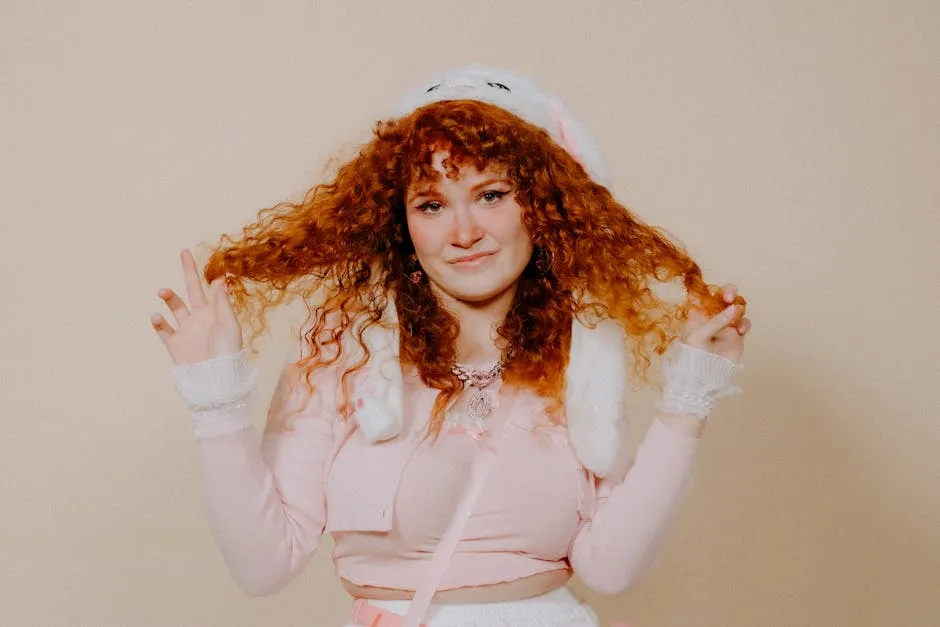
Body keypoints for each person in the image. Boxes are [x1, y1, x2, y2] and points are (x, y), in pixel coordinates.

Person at [151, 65, 752, 627]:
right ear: (401, 223)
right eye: (432, 204)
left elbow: (610, 569)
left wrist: (689, 399)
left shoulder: (583, 352)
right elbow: (263, 566)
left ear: (542, 206)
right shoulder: (342, 347)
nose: (464, 233)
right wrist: (215, 400)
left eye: (492, 195)